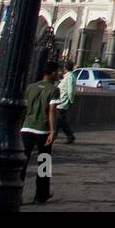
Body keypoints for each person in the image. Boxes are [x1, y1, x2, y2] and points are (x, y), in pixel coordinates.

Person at [21, 63, 60, 204]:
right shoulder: (54, 90)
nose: (58, 74)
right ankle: (41, 194)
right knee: (44, 161)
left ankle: (17, 193)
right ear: (51, 73)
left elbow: (25, 107)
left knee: (22, 162)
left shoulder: (31, 87)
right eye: (56, 72)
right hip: (42, 129)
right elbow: (52, 111)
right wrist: (53, 130)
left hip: (26, 127)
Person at [55, 60, 77, 144]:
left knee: (60, 120)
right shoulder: (68, 76)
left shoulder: (70, 77)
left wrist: (71, 100)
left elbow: (70, 90)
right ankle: (54, 135)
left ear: (65, 68)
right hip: (61, 101)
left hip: (63, 102)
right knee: (59, 120)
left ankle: (70, 136)